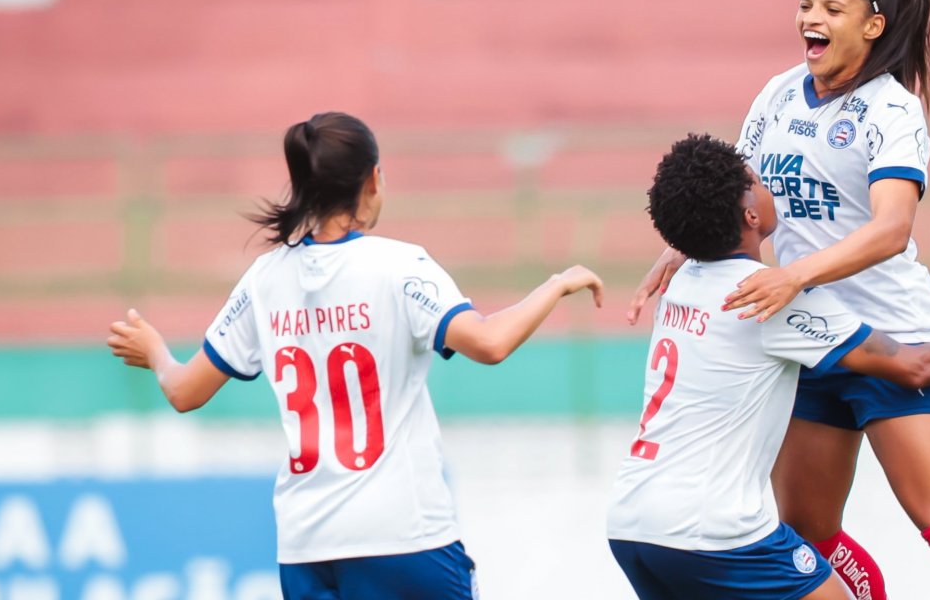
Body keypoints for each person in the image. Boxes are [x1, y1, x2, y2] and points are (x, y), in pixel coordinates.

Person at [628, 0, 930, 600]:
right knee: (808, 530)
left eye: (829, 8)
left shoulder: (893, 111)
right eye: (803, 5)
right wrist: (681, 246)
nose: (808, 20)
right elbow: (732, 196)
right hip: (811, 338)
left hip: (892, 334)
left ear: (874, 25)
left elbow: (890, 229)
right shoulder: (774, 96)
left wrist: (797, 277)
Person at [106, 112, 603, 600]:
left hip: (307, 550)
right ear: (372, 179)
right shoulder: (399, 265)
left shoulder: (264, 278)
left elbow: (183, 391)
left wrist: (155, 353)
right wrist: (556, 286)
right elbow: (490, 343)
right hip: (404, 537)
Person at [608, 134, 930, 600]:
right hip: (714, 531)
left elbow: (795, 331)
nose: (769, 187)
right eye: (757, 181)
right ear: (751, 215)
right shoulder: (767, 297)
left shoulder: (682, 282)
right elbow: (915, 367)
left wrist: (911, 299)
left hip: (632, 523)